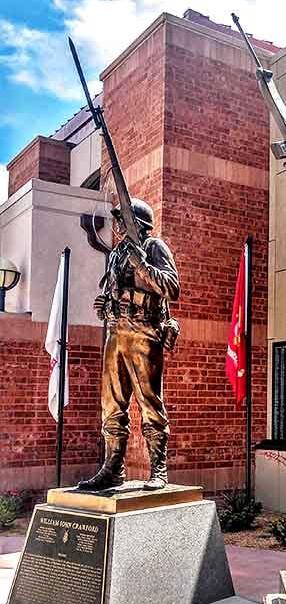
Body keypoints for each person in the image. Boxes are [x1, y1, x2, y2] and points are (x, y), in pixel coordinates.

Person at [78, 198, 180, 492]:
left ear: (138, 223)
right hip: (115, 332)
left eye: (122, 218)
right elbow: (116, 289)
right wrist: (106, 304)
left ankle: (158, 468)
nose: (118, 224)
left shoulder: (153, 247)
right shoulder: (116, 253)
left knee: (149, 402)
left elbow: (172, 288)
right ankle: (113, 468)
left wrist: (143, 265)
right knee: (111, 405)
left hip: (144, 333)